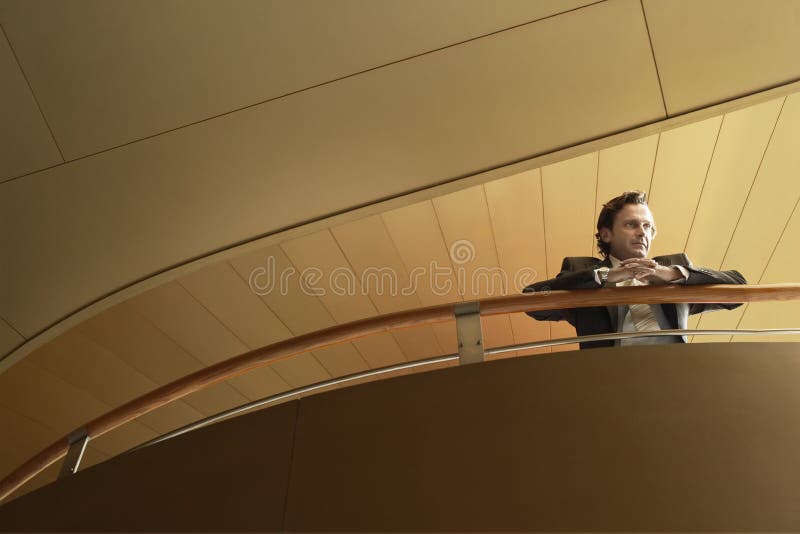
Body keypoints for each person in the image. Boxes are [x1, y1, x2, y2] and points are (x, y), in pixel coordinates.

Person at [523, 190, 746, 349]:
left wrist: (673, 274)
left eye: (647, 226)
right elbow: (531, 300)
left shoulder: (674, 266)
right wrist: (605, 276)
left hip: (673, 375)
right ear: (606, 234)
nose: (642, 232)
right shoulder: (580, 268)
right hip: (610, 379)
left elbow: (738, 288)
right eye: (631, 224)